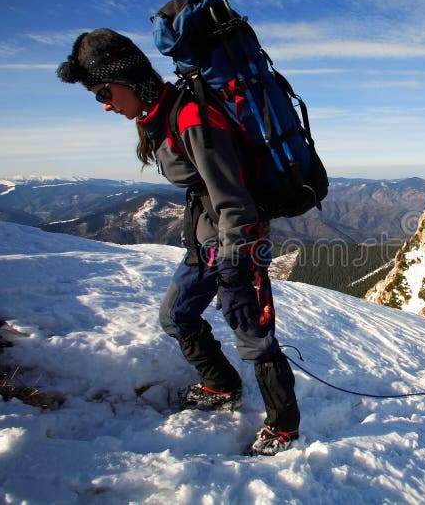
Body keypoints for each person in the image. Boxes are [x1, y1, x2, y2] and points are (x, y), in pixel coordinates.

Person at [57, 29, 299, 456]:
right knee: (177, 315)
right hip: (203, 242)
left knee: (253, 335)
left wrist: (235, 266)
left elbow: (234, 200)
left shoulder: (190, 118)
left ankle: (284, 427)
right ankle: (223, 386)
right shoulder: (159, 113)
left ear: (127, 78)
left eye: (103, 93)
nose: (106, 105)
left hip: (233, 245)